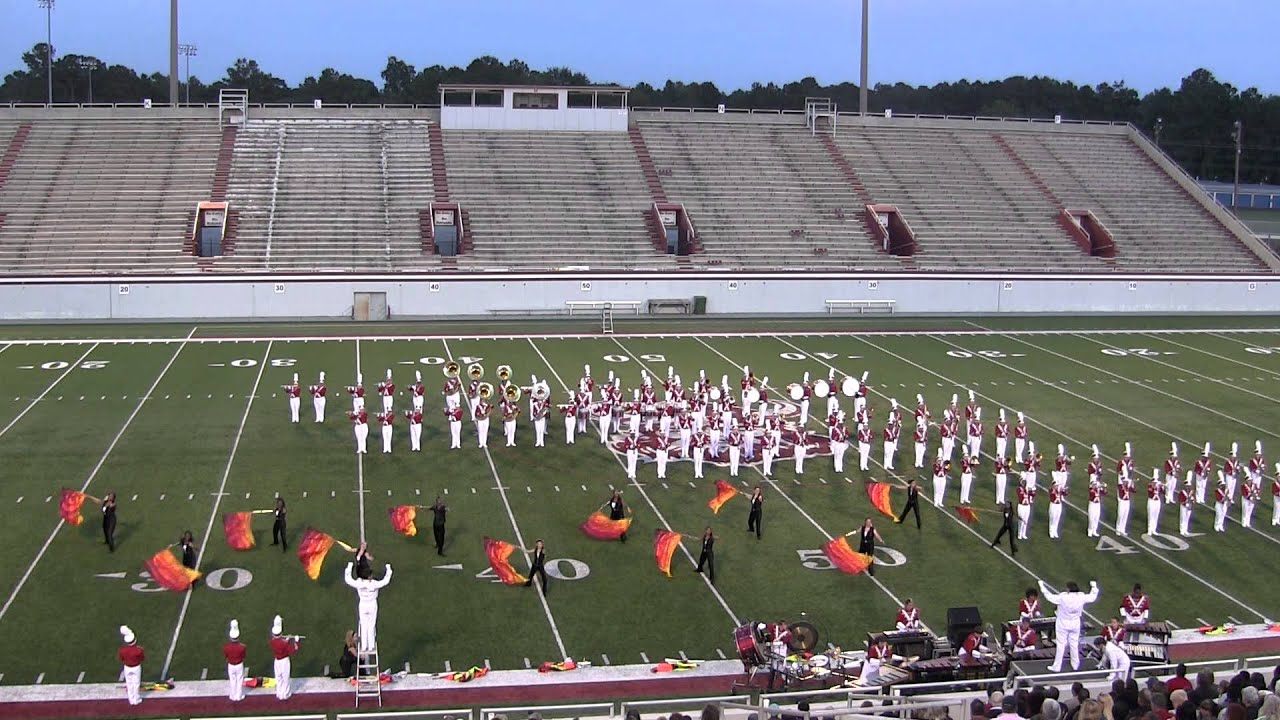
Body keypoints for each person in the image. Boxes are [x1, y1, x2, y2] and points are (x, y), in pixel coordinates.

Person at [1039, 579, 1101, 672]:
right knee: (1074, 644)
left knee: (1061, 645)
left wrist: (1042, 587)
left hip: (1063, 623)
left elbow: (1049, 597)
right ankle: (1075, 664)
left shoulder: (1063, 597)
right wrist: (1094, 587)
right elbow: (1092, 597)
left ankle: (1057, 666)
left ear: (1068, 589)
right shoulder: (1081, 597)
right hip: (1075, 623)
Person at [344, 559, 393, 654]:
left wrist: (349, 567)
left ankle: (364, 645)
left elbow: (348, 579)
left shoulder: (359, 583)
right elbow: (385, 581)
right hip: (372, 604)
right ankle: (370, 646)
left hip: (363, 604)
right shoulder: (374, 584)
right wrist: (388, 569)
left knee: (363, 624)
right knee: (371, 625)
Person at [269, 615, 300, 700]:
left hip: (277, 661)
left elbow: (279, 642)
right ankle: (285, 694)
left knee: (279, 678)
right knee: (285, 678)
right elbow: (294, 650)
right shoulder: (284, 644)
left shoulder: (272, 642)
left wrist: (286, 639)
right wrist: (296, 641)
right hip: (284, 661)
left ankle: (279, 694)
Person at [118, 625, 144, 706]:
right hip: (136, 667)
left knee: (129, 684)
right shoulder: (139, 650)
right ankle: (136, 699)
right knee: (136, 684)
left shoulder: (122, 650)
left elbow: (121, 658)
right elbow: (142, 658)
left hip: (127, 668)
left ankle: (131, 699)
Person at [224, 619, 246, 702]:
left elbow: (226, 656)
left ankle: (233, 695)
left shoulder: (226, 647)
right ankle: (239, 696)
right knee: (239, 680)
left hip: (231, 665)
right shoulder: (242, 647)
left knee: (232, 680)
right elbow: (244, 656)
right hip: (239, 664)